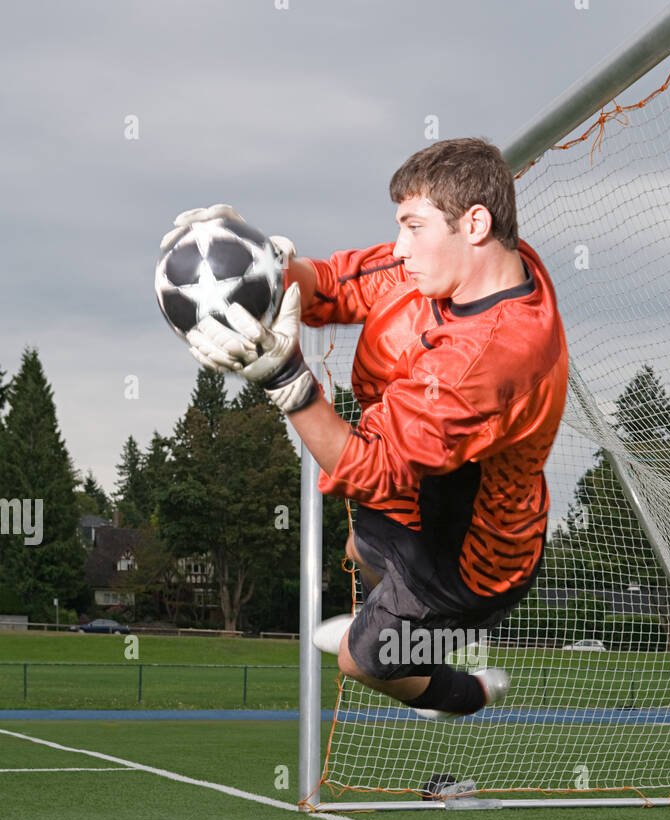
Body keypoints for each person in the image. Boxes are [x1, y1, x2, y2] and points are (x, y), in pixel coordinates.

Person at [180, 137, 568, 718]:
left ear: (477, 223)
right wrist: (256, 263)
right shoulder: (465, 263)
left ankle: (462, 691)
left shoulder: (489, 357)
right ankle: (408, 634)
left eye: (414, 226)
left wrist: (288, 381)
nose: (400, 247)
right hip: (424, 497)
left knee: (360, 662)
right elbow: (338, 283)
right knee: (359, 547)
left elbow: (371, 469)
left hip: (471, 558)